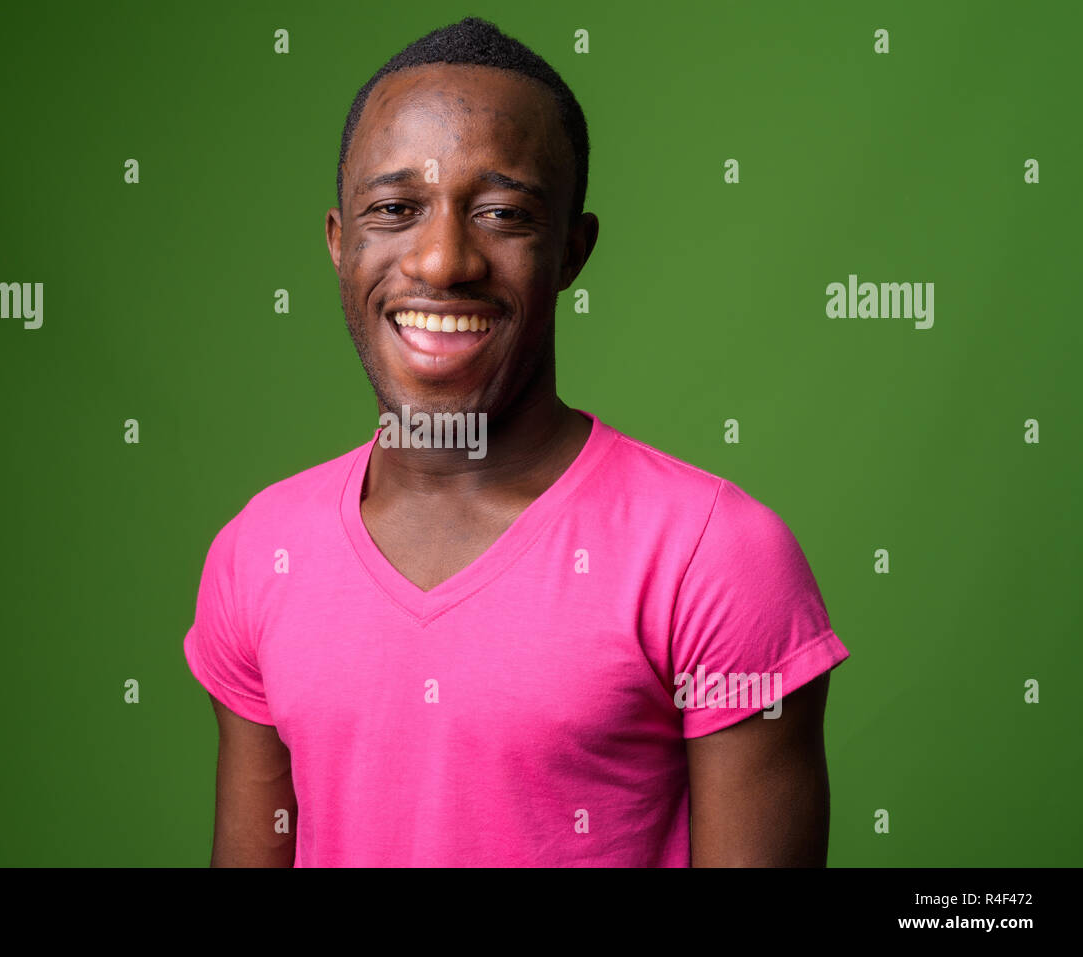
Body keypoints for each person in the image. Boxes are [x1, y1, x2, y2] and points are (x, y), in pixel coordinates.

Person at [183, 16, 850, 867]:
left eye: (502, 214)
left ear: (572, 251)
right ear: (339, 242)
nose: (441, 260)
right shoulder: (258, 552)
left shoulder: (716, 556)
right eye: (394, 209)